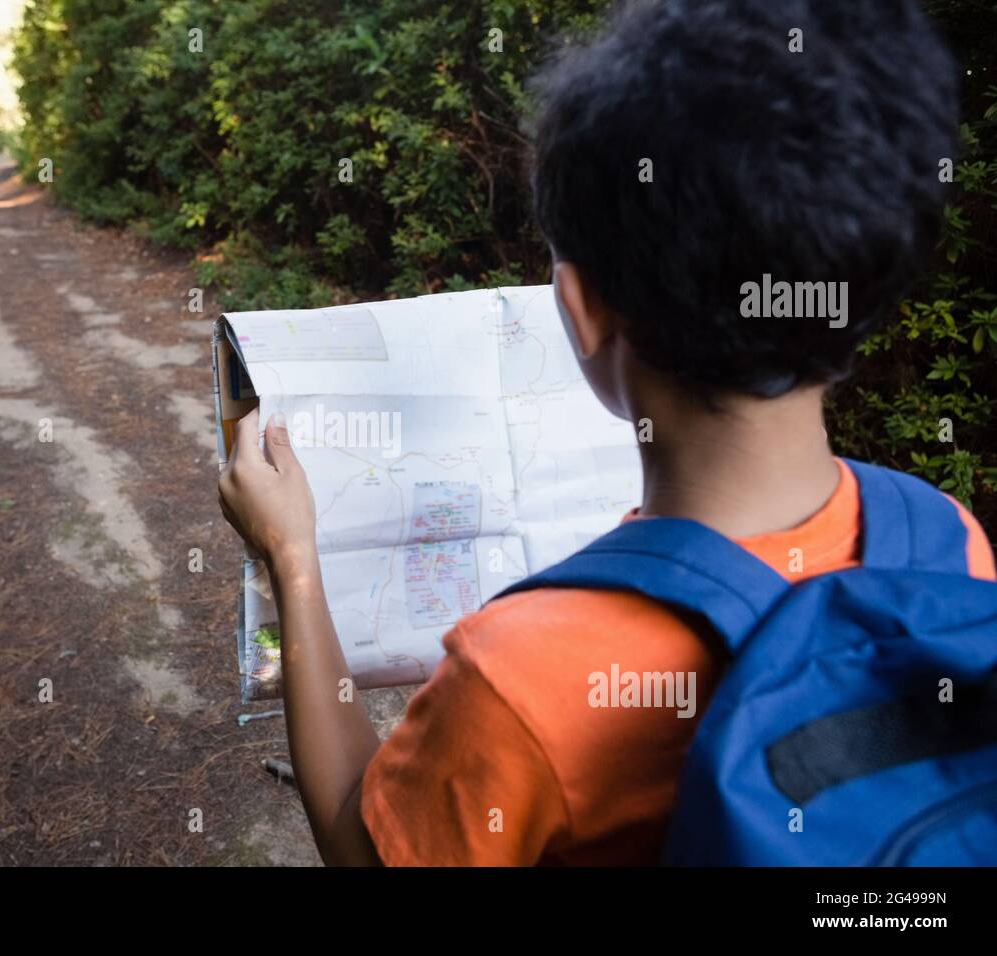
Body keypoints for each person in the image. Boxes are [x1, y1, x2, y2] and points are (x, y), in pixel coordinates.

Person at [217, 0, 993, 865]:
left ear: (581, 311)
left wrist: (293, 558)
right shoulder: (949, 544)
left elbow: (362, 845)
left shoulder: (517, 678)